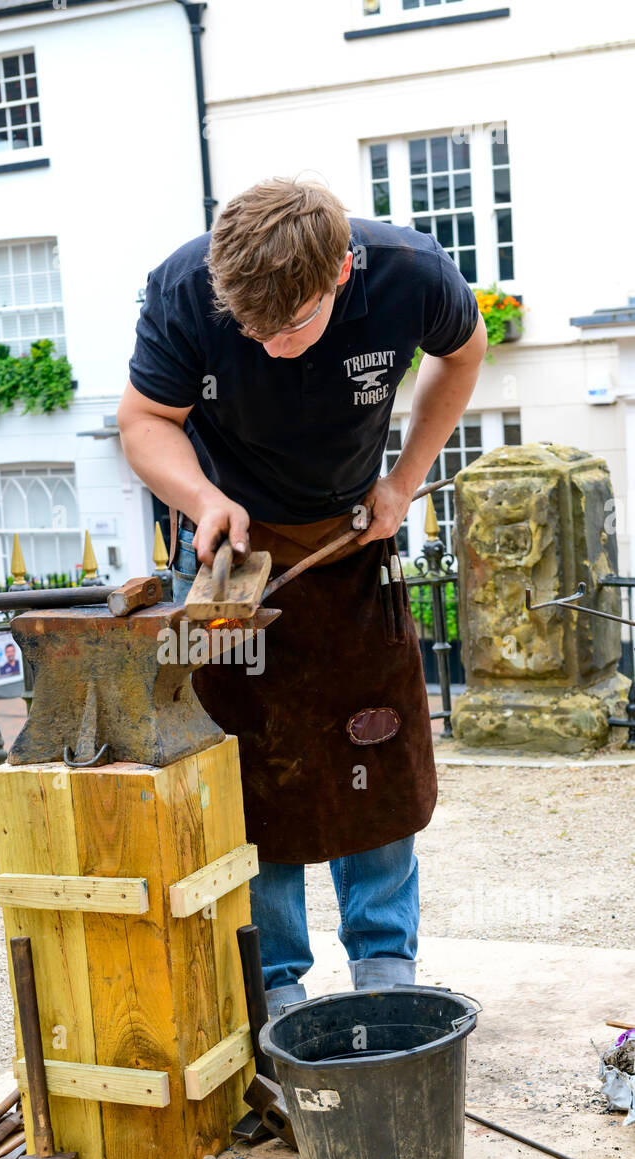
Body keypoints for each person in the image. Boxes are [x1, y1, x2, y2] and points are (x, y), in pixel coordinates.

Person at [118, 177, 486, 1012]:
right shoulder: (185, 287)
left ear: (344, 271)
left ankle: (385, 965)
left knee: (374, 748)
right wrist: (202, 499)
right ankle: (275, 981)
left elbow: (464, 354)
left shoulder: (409, 272)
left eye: (290, 326)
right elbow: (142, 421)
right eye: (250, 329)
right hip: (224, 552)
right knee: (248, 764)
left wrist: (404, 480)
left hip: (352, 534)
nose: (272, 347)